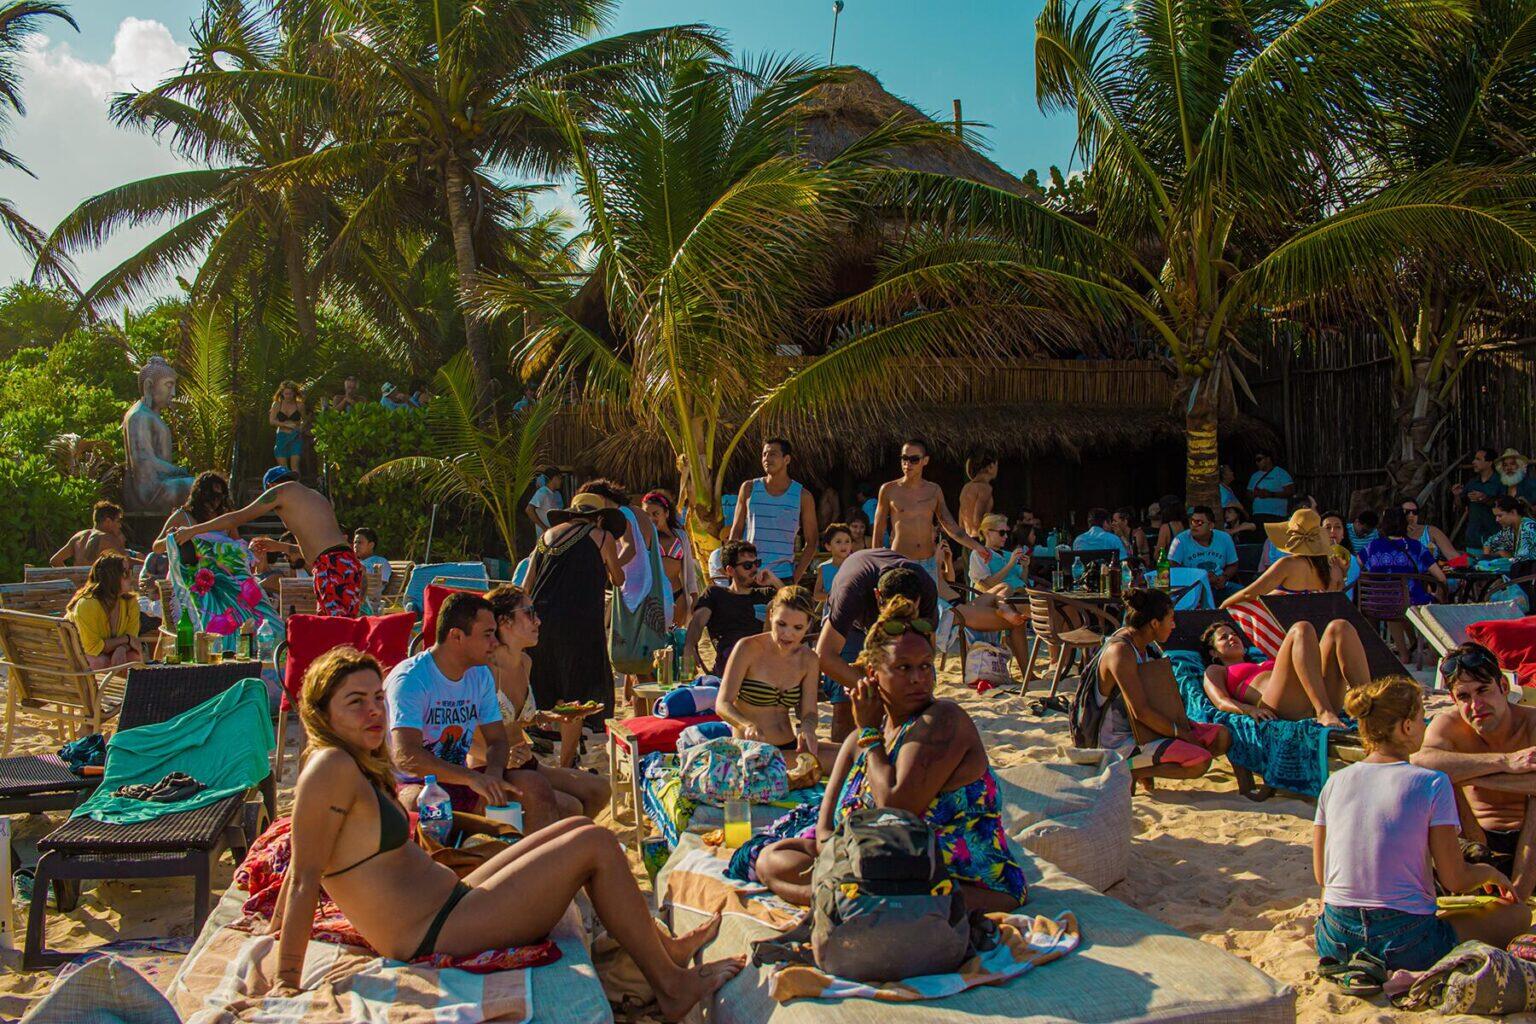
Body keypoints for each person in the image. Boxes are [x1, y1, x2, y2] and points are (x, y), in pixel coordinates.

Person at [273, 645, 742, 1008]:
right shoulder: (330, 767)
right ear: (321, 712)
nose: (375, 710)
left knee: (571, 829)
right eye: (356, 702)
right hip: (434, 930)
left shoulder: (352, 762)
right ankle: (672, 987)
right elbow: (303, 876)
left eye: (378, 698)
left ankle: (667, 950)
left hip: (449, 901)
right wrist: (285, 978)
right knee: (596, 844)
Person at [755, 595, 1027, 914]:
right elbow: (825, 826)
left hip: (953, 880)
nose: (918, 678)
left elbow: (896, 809)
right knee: (773, 859)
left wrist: (870, 732)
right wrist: (839, 853)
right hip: (874, 867)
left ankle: (843, 899)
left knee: (878, 889)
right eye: (903, 667)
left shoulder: (941, 720)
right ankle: (843, 896)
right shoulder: (861, 739)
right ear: (872, 673)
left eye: (925, 666)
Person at [1314, 677, 1529, 974]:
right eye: (1420, 718)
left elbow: (1321, 874)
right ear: (1406, 727)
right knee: (1517, 915)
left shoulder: (1335, 781)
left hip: (1334, 938)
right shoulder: (1430, 781)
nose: (1426, 725)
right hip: (1407, 941)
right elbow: (1455, 879)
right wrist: (1491, 874)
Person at [386, 592, 568, 832]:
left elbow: (497, 740)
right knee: (417, 803)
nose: (495, 642)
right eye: (487, 635)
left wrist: (493, 775)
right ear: (457, 637)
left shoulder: (478, 673)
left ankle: (535, 865)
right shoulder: (412, 679)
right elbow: (406, 756)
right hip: (414, 783)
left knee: (534, 787)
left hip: (462, 780)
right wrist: (473, 778)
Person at [1414, 643, 1536, 902]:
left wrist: (1465, 772)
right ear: (1453, 700)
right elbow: (1419, 764)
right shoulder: (1448, 725)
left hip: (1529, 842)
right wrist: (1505, 762)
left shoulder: (1531, 723)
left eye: (1483, 690)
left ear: (1503, 687)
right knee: (1437, 783)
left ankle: (1521, 892)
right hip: (1474, 843)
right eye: (1465, 697)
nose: (1476, 705)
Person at [475, 585, 610, 815]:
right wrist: (500, 760)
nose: (538, 621)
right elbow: (462, 731)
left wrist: (553, 716)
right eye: (529, 613)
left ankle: (569, 845)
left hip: (525, 761)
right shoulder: (482, 671)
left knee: (600, 789)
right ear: (504, 621)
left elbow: (516, 719)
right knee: (571, 807)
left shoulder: (525, 663)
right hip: (488, 767)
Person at [173, 466, 362, 618]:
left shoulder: (280, 492)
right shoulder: (314, 497)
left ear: (269, 487)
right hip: (345, 563)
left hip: (331, 567)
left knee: (336, 632)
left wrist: (192, 531)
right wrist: (279, 546)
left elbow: (236, 518)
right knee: (344, 629)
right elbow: (321, 547)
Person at [1091, 589, 1231, 791]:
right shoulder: (1121, 651)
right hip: (1120, 739)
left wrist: (1183, 727)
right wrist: (1183, 735)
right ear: (1154, 624)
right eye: (1171, 619)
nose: (1174, 625)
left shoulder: (1147, 644)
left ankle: (1146, 767)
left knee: (1221, 736)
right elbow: (1141, 712)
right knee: (1200, 760)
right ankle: (1130, 771)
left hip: (1147, 727)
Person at [524, 483, 627, 718]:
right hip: (581, 615)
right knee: (583, 677)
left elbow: (527, 583)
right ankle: (587, 722)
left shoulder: (547, 536)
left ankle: (549, 724)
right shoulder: (602, 536)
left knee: (548, 673)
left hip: (543, 615)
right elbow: (618, 579)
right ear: (598, 518)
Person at [814, 549, 938, 741]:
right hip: (853, 627)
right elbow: (825, 656)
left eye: (906, 612)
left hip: (894, 629)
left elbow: (927, 653)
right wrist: (872, 689)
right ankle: (846, 762)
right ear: (877, 596)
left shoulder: (926, 587)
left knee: (914, 697)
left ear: (918, 600)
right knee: (847, 703)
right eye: (893, 612)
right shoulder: (851, 591)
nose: (899, 617)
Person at [715, 587, 828, 768]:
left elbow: (810, 712)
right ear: (770, 616)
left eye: (798, 628)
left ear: (808, 626)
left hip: (790, 746)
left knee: (857, 754)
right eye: (781, 624)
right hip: (751, 749)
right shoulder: (748, 648)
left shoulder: (809, 659)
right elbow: (723, 704)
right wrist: (746, 725)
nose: (787, 634)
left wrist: (807, 727)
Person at [1200, 619, 1365, 729]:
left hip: (1315, 694)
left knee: (1339, 627)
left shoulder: (1262, 660)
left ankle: (1368, 707)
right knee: (1301, 628)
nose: (1232, 638)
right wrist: (1250, 710)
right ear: (1214, 653)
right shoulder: (1216, 671)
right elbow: (1221, 702)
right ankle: (1324, 713)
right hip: (1280, 704)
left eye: (1234, 634)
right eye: (1224, 637)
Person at [871, 438, 985, 586]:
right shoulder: (889, 490)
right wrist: (876, 566)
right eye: (904, 458)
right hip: (900, 562)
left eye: (914, 459)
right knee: (902, 608)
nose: (907, 463)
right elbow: (878, 532)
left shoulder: (934, 490)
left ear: (925, 461)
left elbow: (951, 527)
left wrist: (978, 547)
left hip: (929, 563)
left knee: (931, 607)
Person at [729, 438, 818, 584]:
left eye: (773, 454)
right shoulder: (748, 488)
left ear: (787, 459)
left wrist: (795, 577)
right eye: (764, 454)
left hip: (783, 576)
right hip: (748, 574)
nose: (767, 459)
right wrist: (734, 570)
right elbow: (736, 531)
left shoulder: (803, 496)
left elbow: (812, 541)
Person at [685, 540, 780, 676]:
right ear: (730, 570)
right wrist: (689, 647)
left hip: (764, 660)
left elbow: (798, 605)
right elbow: (697, 622)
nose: (754, 569)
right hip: (730, 661)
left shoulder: (767, 594)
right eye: (747, 565)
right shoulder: (716, 594)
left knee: (775, 605)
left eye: (756, 563)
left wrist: (773, 580)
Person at [1222, 509, 1341, 606]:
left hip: (1287, 624)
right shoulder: (1333, 568)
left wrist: (1224, 605)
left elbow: (1249, 594)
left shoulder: (1287, 564)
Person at [1361, 508, 1445, 615]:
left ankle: (1398, 632)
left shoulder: (1371, 547)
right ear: (1404, 523)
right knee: (1424, 599)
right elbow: (1441, 578)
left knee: (1394, 603)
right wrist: (1438, 596)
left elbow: (1354, 567)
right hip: (1410, 604)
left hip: (1376, 604)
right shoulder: (1416, 547)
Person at [66, 554, 142, 670]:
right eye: (125, 573)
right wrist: (126, 639)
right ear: (111, 577)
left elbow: (133, 637)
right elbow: (92, 648)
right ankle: (97, 688)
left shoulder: (130, 603)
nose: (131, 577)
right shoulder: (87, 604)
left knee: (133, 658)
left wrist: (122, 648)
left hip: (105, 652)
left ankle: (126, 688)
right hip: (77, 656)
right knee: (99, 662)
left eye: (130, 572)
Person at [643, 490, 696, 628]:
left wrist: (694, 596)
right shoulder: (644, 538)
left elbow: (689, 569)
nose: (651, 519)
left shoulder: (680, 536)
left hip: (678, 594)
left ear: (666, 513)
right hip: (654, 596)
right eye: (646, 515)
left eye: (656, 514)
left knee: (676, 637)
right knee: (656, 640)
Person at [1168, 505, 1239, 598]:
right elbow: (1172, 566)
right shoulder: (1180, 540)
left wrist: (1224, 577)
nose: (1194, 525)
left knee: (1244, 595)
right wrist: (1199, 578)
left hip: (1218, 585)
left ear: (1211, 525)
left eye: (1199, 522)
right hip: (1191, 587)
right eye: (1192, 521)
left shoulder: (1224, 538)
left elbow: (1233, 564)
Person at [51, 500, 133, 568]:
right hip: (97, 585)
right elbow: (126, 562)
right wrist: (145, 564)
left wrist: (71, 578)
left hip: (80, 587)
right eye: (117, 521)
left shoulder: (79, 536)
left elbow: (55, 560)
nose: (120, 525)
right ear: (108, 521)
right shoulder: (108, 538)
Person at [1453, 446, 1502, 553]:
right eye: (1474, 459)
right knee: (1473, 568)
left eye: (1478, 459)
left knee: (1494, 568)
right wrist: (1457, 495)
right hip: (1473, 539)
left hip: (1495, 538)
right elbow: (1460, 506)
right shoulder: (1472, 483)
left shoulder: (1500, 482)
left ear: (1489, 462)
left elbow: (1506, 506)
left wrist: (1485, 498)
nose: (1473, 462)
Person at [968, 514, 1029, 597]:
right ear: (988, 533)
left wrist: (1024, 567)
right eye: (1002, 533)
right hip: (1002, 601)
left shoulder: (1008, 555)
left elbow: (1023, 582)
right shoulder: (979, 554)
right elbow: (987, 585)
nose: (1006, 536)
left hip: (1022, 596)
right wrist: (1010, 564)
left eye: (1006, 533)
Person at [1247, 449, 1295, 524]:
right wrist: (1256, 494)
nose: (1257, 462)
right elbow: (1248, 493)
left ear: (1268, 459)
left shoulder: (1281, 473)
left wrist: (1271, 494)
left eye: (1259, 459)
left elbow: (1290, 491)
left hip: (1277, 515)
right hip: (1258, 514)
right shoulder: (1254, 476)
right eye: (1255, 460)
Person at [1321, 511, 1362, 596]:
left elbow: (1339, 591)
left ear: (1343, 534)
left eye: (1338, 527)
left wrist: (1342, 572)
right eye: (1328, 527)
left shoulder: (1352, 560)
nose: (1332, 531)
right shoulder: (1314, 559)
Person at [957, 452, 998, 538]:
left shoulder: (966, 488)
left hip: (967, 540)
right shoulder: (985, 488)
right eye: (996, 465)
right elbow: (977, 519)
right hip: (980, 540)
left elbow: (961, 523)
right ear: (991, 466)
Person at [269, 381, 305, 476]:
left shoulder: (300, 405)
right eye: (286, 393)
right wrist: (285, 424)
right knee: (283, 468)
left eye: (290, 393)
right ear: (282, 393)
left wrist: (300, 427)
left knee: (295, 466)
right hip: (282, 436)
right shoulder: (277, 405)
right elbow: (272, 421)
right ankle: (286, 488)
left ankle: (296, 487)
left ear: (294, 393)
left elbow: (305, 420)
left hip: (295, 436)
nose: (288, 396)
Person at [813, 523, 855, 605]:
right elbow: (816, 595)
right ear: (828, 546)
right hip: (831, 611)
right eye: (838, 542)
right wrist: (835, 597)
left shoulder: (856, 566)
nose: (843, 545)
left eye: (847, 541)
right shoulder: (823, 568)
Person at [1487, 495, 1536, 562]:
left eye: (1500, 515)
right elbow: (1489, 542)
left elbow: (1523, 557)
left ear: (1513, 512)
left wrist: (1508, 557)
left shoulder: (1530, 527)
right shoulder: (1509, 530)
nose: (1497, 520)